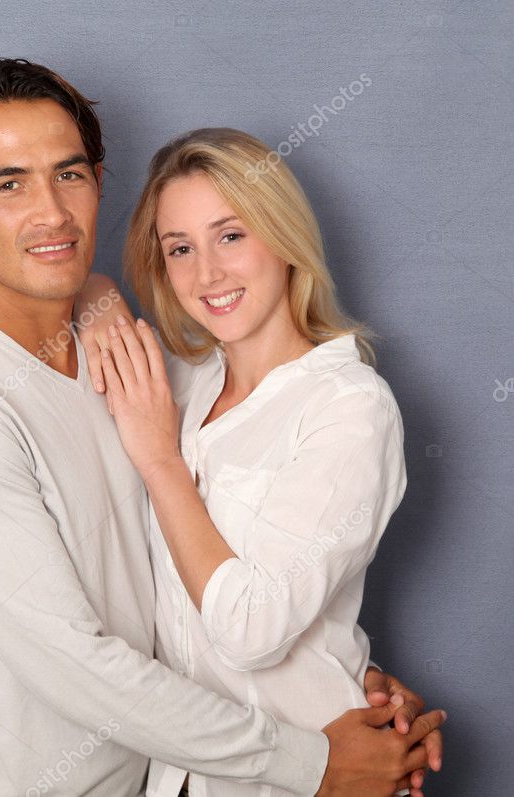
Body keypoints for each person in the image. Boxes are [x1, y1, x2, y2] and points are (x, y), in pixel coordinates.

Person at [0, 57, 444, 797]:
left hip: (163, 779)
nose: (52, 212)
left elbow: (190, 582)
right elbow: (75, 665)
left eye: (68, 175)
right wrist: (315, 759)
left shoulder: (133, 364)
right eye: (7, 183)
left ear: (99, 182)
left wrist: (329, 677)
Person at [75, 128, 439, 796]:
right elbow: (86, 288)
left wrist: (159, 461)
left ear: (283, 235)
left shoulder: (349, 408)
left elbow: (250, 629)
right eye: (178, 248)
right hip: (179, 774)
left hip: (314, 771)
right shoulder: (184, 383)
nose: (205, 273)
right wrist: (100, 304)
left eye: (230, 235)